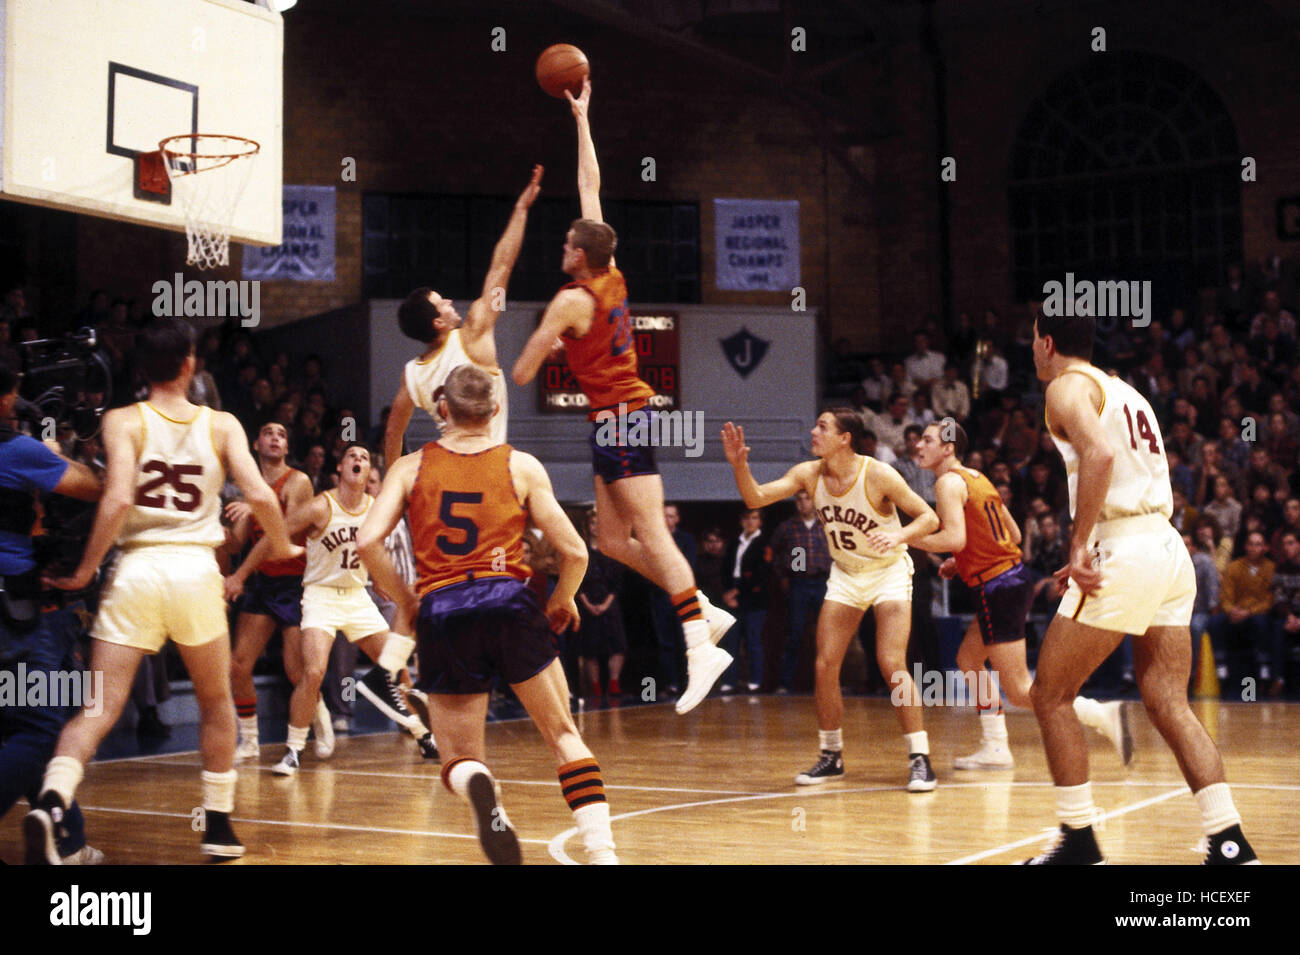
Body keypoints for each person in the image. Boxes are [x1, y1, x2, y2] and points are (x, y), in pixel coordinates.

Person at [26, 318, 300, 861]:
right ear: (190, 363)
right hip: (196, 571)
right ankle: (218, 827)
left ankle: (53, 802)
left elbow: (118, 498)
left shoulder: (123, 419)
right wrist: (284, 544)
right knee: (216, 702)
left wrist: (84, 570)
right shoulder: (221, 424)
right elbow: (262, 498)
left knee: (98, 709)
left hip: (137, 570)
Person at [511, 77, 734, 715]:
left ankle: (699, 644)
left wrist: (549, 346)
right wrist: (582, 118)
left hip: (626, 419)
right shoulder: (610, 269)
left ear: (580, 256)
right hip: (613, 423)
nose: (561, 247)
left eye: (565, 245)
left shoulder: (569, 301)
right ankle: (704, 609)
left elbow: (522, 374)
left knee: (655, 536)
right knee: (610, 541)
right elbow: (591, 186)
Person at [1022, 309, 1258, 865]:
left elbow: (1100, 455)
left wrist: (1080, 546)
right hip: (1166, 547)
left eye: (1033, 340)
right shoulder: (1126, 391)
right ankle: (1228, 840)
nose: (1031, 350)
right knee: (1168, 700)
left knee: (1049, 694)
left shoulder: (1064, 385)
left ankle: (1079, 842)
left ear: (1049, 342)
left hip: (1124, 549)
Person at [358, 364, 618, 864]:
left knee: (459, 754)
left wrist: (407, 601)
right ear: (495, 411)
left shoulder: (410, 468)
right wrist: (561, 601)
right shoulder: (520, 466)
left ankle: (479, 784)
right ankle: (602, 853)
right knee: (563, 733)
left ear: (442, 411)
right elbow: (577, 553)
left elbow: (368, 541)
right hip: (510, 600)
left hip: (443, 608)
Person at [722, 410, 942, 791]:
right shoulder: (809, 473)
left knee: (891, 661)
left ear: (845, 438)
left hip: (888, 571)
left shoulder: (878, 474)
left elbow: (929, 518)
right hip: (845, 574)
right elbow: (754, 496)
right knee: (825, 664)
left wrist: (898, 536)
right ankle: (831, 756)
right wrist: (740, 466)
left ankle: (920, 758)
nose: (813, 431)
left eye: (822, 426)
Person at [910, 420, 1130, 770]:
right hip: (1010, 581)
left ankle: (1099, 714)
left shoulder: (947, 483)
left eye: (927, 440)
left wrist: (905, 537)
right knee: (968, 659)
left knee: (1018, 689)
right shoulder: (976, 477)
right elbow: (1010, 533)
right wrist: (962, 558)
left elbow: (953, 538)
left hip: (998, 586)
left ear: (948, 448)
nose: (918, 445)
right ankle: (996, 746)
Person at [260, 443, 436, 776]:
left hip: (357, 595)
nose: (359, 460)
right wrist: (288, 547)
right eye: (352, 456)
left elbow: (376, 549)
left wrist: (381, 579)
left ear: (370, 472)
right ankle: (293, 750)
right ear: (339, 469)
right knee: (313, 672)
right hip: (321, 596)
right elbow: (277, 531)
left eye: (365, 458)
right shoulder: (319, 506)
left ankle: (423, 735)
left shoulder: (375, 508)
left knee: (397, 669)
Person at [0, 355, 105, 864]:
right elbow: (93, 486)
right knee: (42, 724)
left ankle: (70, 839)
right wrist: (59, 447)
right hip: (18, 608)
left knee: (22, 722)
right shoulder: (18, 450)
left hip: (26, 604)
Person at [384, 165, 543, 464]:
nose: (449, 300)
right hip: (488, 463)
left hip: (447, 469)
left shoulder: (413, 374)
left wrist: (393, 481)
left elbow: (393, 432)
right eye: (441, 301)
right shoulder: (473, 332)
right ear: (438, 322)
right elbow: (502, 266)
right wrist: (521, 209)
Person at [223, 421, 315, 762]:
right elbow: (236, 545)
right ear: (256, 444)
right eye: (268, 433)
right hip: (264, 581)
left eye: (282, 435)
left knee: (296, 670)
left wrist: (238, 577)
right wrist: (214, 530)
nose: (275, 438)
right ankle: (249, 740)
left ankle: (317, 719)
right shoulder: (247, 488)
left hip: (295, 581)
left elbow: (281, 536)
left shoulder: (298, 481)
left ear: (287, 448)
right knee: (238, 665)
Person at [767, 489, 831, 693]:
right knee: (794, 633)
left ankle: (828, 684)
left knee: (827, 636)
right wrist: (783, 576)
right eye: (799, 500)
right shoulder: (788, 527)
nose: (803, 503)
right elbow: (772, 553)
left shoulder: (828, 525)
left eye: (807, 499)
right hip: (799, 584)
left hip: (824, 583)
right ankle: (785, 683)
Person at [720, 509, 770, 693]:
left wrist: (737, 592)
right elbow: (725, 568)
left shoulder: (764, 544)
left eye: (754, 518)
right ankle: (729, 681)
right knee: (730, 641)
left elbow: (761, 574)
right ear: (742, 521)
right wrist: (726, 592)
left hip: (753, 597)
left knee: (753, 640)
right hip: (732, 594)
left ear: (760, 522)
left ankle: (755, 681)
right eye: (747, 518)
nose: (750, 521)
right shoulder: (734, 543)